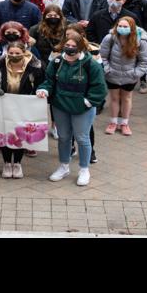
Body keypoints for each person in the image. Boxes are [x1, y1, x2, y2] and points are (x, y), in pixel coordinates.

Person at [40, 28, 106, 186]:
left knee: (82, 138)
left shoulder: (90, 64)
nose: (69, 48)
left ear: (81, 47)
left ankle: (84, 169)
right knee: (63, 137)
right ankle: (64, 167)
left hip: (82, 108)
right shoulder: (57, 62)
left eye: (73, 46)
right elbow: (49, 81)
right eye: (67, 45)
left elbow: (100, 88)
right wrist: (43, 90)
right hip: (60, 106)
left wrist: (87, 102)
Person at [0, 37, 45, 178]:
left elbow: (41, 83)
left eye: (17, 53)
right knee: (5, 134)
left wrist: (38, 93)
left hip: (25, 105)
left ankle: (18, 164)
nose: (14, 55)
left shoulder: (35, 66)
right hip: (4, 104)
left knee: (21, 134)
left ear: (24, 52)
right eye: (11, 53)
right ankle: (7, 163)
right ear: (7, 53)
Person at [98, 15, 147, 136]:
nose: (122, 28)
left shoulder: (140, 41)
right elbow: (102, 56)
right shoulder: (110, 38)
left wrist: (136, 74)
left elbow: (144, 61)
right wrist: (107, 70)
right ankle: (113, 122)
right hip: (113, 74)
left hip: (129, 76)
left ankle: (124, 123)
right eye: (120, 26)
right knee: (114, 98)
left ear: (132, 28)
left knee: (126, 99)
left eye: (125, 26)